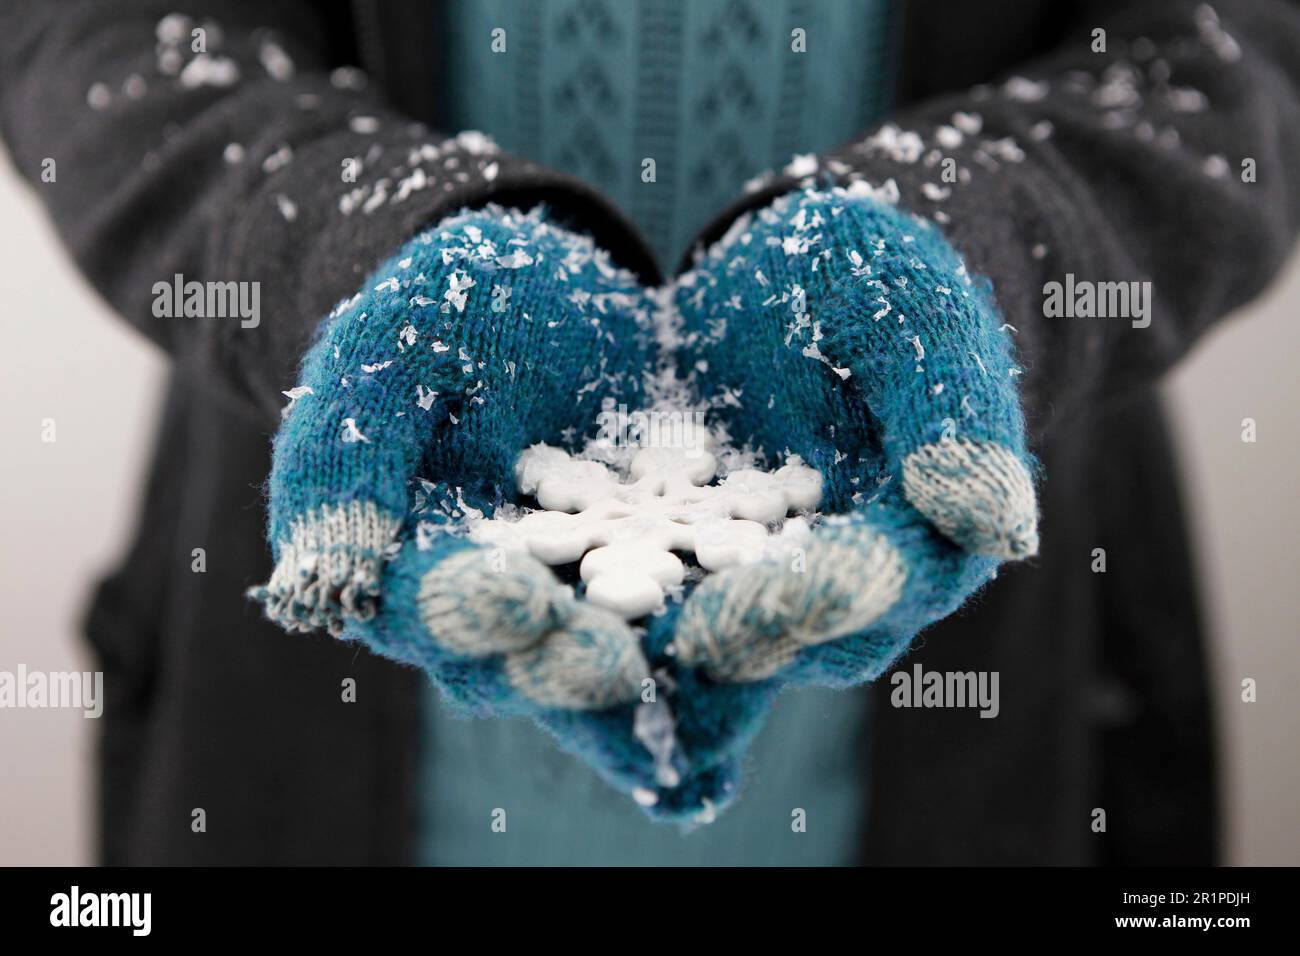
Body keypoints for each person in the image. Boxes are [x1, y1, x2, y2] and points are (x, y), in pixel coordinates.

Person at [1, 0, 1295, 865]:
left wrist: (955, 253)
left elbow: (1230, 57)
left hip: (986, 764)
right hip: (303, 769)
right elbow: (97, 35)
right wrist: (371, 254)